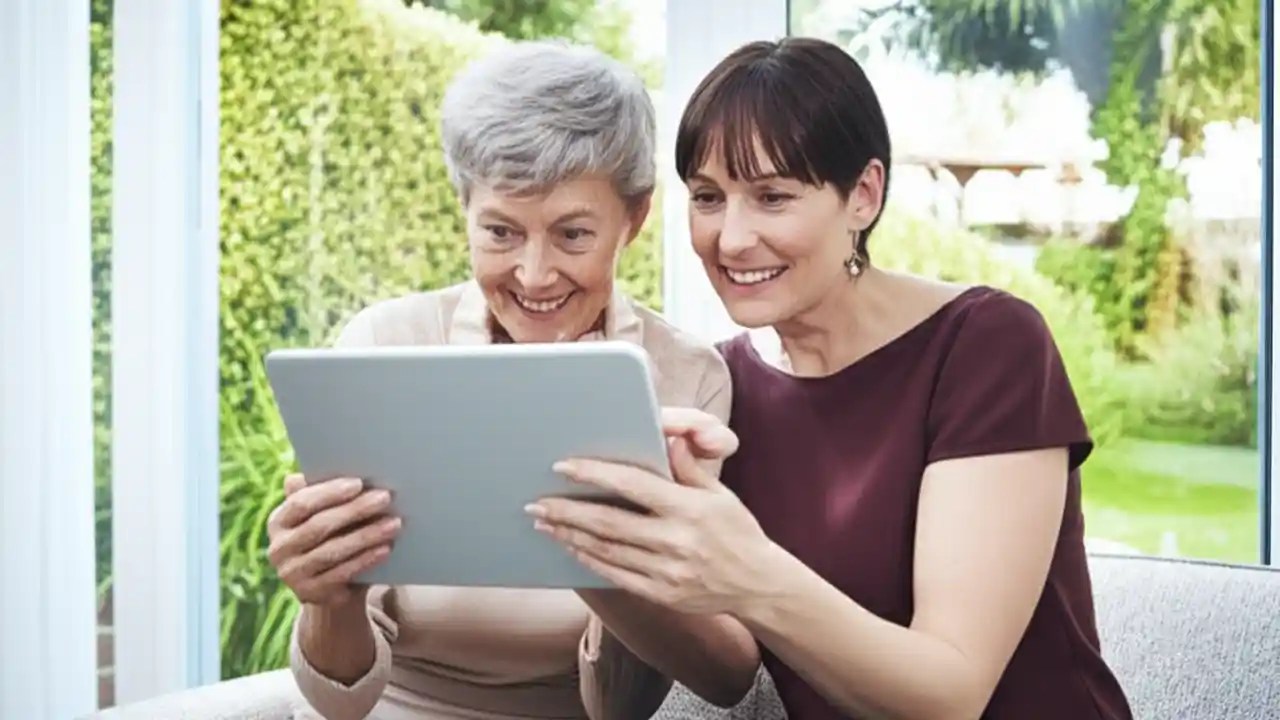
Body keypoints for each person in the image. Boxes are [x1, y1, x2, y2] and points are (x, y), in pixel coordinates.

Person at [525, 37, 1135, 720]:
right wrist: (587, 534)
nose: (731, 238)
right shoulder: (719, 388)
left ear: (863, 195)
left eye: (772, 197)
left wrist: (750, 574)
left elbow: (951, 695)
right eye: (708, 197)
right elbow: (703, 684)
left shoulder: (987, 346)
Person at [266, 41, 760, 720]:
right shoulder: (384, 346)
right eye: (500, 232)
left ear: (634, 219)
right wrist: (329, 598)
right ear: (464, 208)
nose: (533, 275)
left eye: (573, 235)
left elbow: (633, 703)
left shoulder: (685, 379)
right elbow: (336, 701)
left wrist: (604, 544)